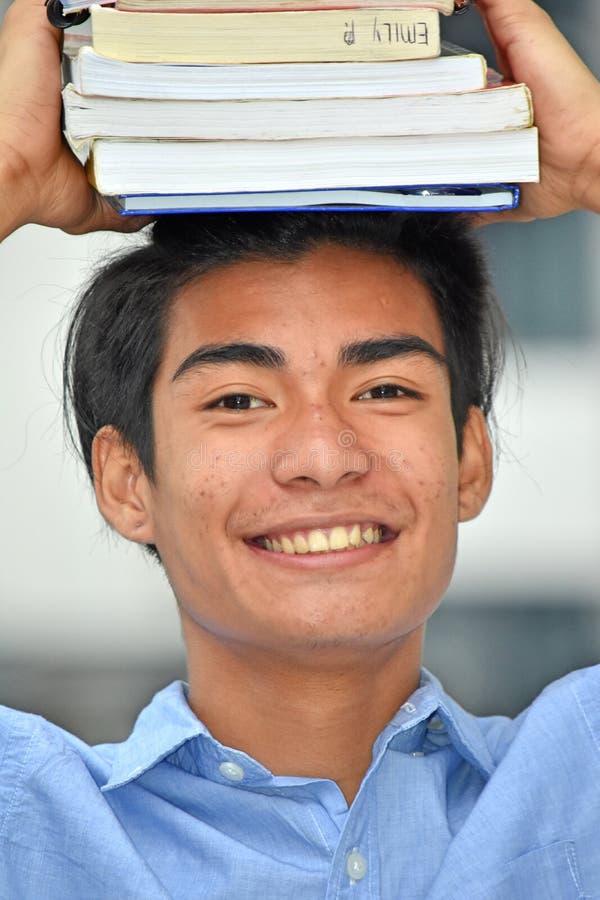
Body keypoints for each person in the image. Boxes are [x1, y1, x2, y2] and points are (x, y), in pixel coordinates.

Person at [0, 0, 599, 898]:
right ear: (127, 481)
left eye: (386, 390)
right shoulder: (29, 821)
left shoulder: (578, 782)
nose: (324, 456)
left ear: (470, 455)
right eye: (239, 398)